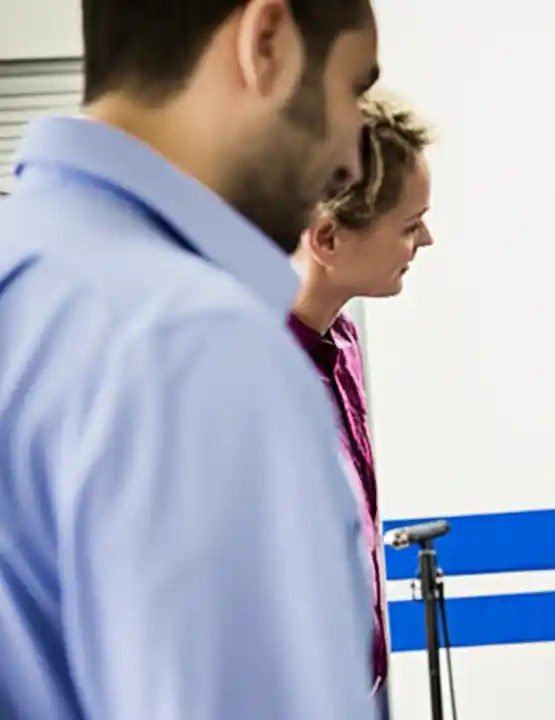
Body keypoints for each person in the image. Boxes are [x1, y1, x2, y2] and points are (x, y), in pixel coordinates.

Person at [0, 1, 384, 718]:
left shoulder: (27, 283)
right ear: (266, 41)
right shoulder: (195, 343)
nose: (350, 162)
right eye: (351, 91)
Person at [287, 90, 435, 713]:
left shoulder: (340, 340)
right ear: (327, 238)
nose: (426, 239)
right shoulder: (237, 378)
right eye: (408, 224)